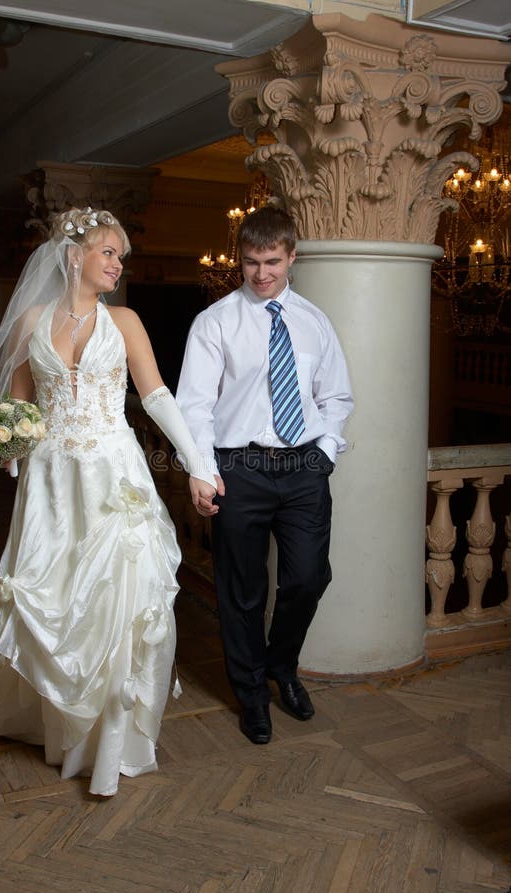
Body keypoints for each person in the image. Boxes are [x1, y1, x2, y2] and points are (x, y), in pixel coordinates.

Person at [0, 207, 217, 796]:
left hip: (114, 476)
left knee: (119, 600)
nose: (117, 264)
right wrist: (2, 444)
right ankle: (58, 729)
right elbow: (19, 404)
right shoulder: (32, 320)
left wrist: (198, 465)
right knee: (53, 595)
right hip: (52, 481)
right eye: (108, 252)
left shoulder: (127, 321)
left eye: (120, 257)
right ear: (73, 254)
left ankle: (113, 746)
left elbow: (157, 397)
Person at [176, 205, 353, 745]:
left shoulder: (314, 321)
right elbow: (195, 407)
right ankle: (252, 693)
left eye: (272, 261)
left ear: (291, 256)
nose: (261, 274)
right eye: (251, 262)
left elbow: (336, 395)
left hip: (304, 469)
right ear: (241, 260)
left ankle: (281, 665)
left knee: (306, 578)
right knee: (242, 591)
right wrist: (202, 472)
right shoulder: (216, 323)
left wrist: (324, 452)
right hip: (240, 472)